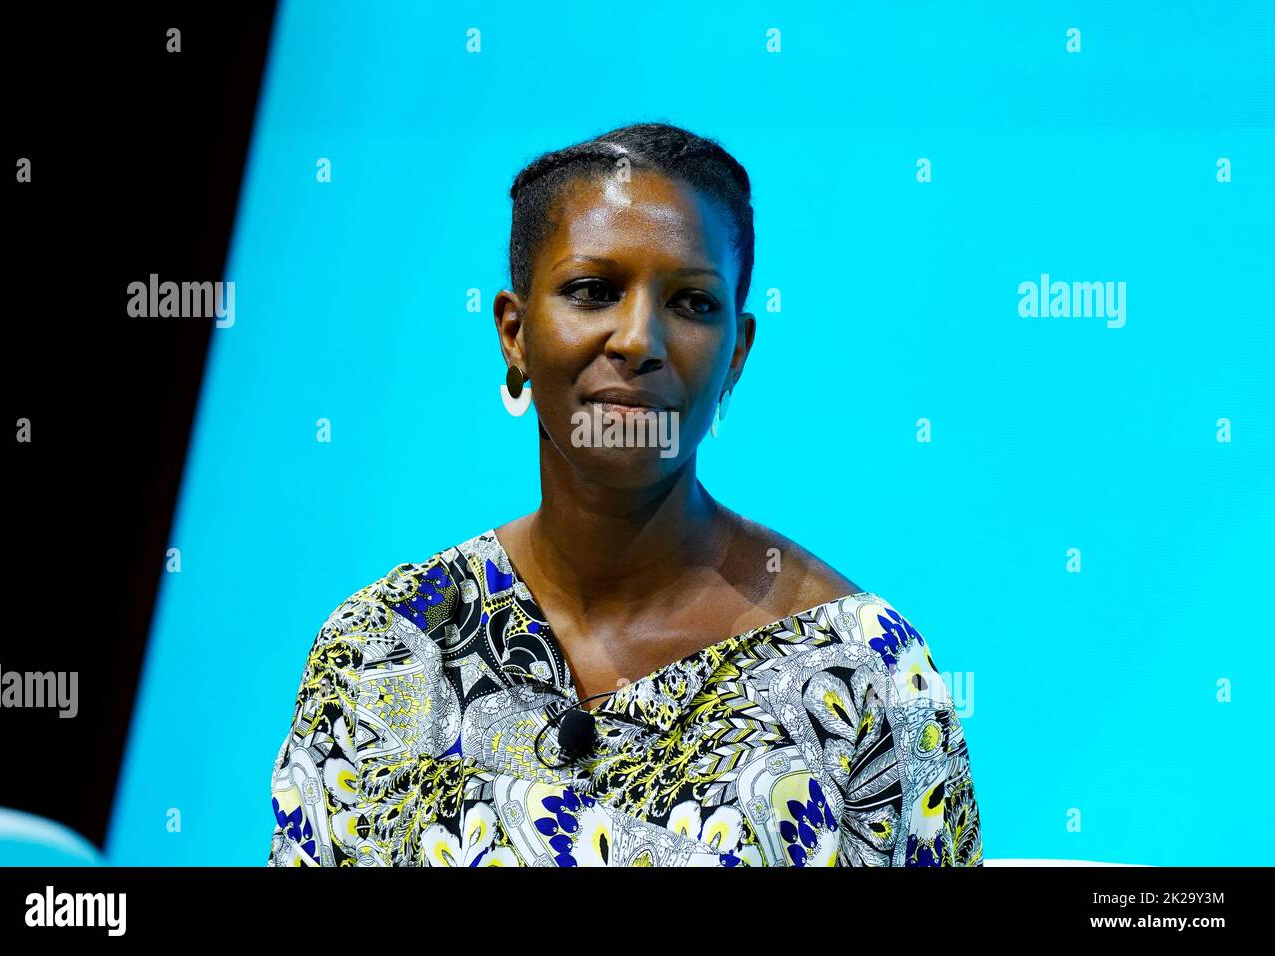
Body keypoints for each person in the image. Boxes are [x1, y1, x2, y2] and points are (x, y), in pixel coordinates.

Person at [267, 122, 983, 867]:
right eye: (593, 291)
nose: (639, 339)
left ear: (736, 352)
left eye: (692, 304)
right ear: (514, 334)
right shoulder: (383, 649)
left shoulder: (862, 669)